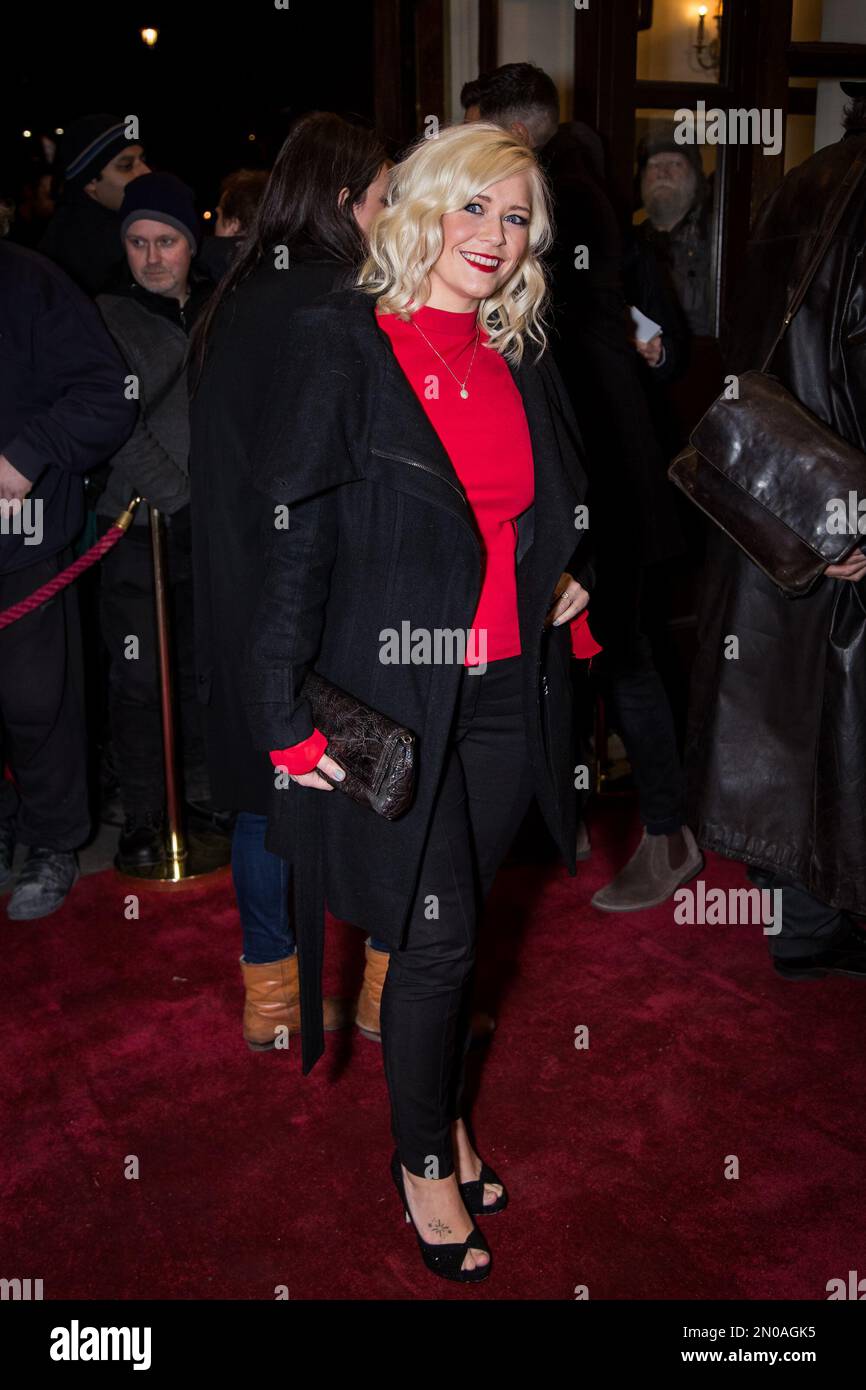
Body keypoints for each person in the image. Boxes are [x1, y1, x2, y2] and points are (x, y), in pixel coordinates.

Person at [241, 121, 597, 1281]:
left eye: (514, 217)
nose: (493, 236)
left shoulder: (518, 353)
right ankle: (422, 1159)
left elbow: (544, 508)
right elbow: (289, 538)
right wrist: (279, 710)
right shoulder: (346, 343)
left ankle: (437, 1112)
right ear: (422, 207)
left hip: (504, 695)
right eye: (473, 207)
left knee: (460, 928)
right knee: (436, 944)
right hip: (392, 695)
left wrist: (565, 573)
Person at [462, 62, 702, 910]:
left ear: (510, 129)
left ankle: (668, 833)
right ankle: (572, 815)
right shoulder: (579, 188)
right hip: (604, 457)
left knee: (621, 649)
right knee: (599, 648)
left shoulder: (555, 197)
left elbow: (616, 336)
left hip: (601, 465)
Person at [189, 113, 392, 1049]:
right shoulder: (347, 298)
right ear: (347, 201)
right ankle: (391, 990)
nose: (395, 214)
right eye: (386, 196)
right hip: (329, 585)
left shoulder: (236, 291)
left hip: (241, 582)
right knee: (384, 780)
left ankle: (273, 998)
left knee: (270, 783)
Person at [687, 84, 866, 980]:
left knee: (778, 718)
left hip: (775, 496)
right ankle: (821, 919)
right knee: (831, 728)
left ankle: (794, 920)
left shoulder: (803, 183)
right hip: (844, 513)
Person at [0, 242, 135, 917]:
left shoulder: (29, 280)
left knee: (36, 700)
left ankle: (53, 839)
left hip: (19, 538)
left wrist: (27, 456)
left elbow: (108, 392)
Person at [95, 173, 214, 871]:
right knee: (140, 678)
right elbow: (116, 424)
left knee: (200, 668)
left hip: (211, 528)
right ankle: (146, 816)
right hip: (137, 527)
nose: (151, 256)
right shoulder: (106, 314)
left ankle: (195, 799)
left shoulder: (218, 304)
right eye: (137, 242)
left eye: (165, 240)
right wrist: (180, 497)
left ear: (189, 243)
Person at [39, 114, 150, 295]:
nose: (145, 172)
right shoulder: (89, 249)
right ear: (90, 182)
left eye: (143, 161)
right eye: (126, 166)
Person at [634, 124, 713, 338]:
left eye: (675, 163)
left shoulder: (716, 242)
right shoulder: (631, 243)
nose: (663, 173)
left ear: (695, 176)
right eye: (654, 164)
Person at [197, 168, 269, 283]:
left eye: (219, 216)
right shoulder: (287, 260)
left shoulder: (203, 263)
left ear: (234, 224)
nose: (216, 224)